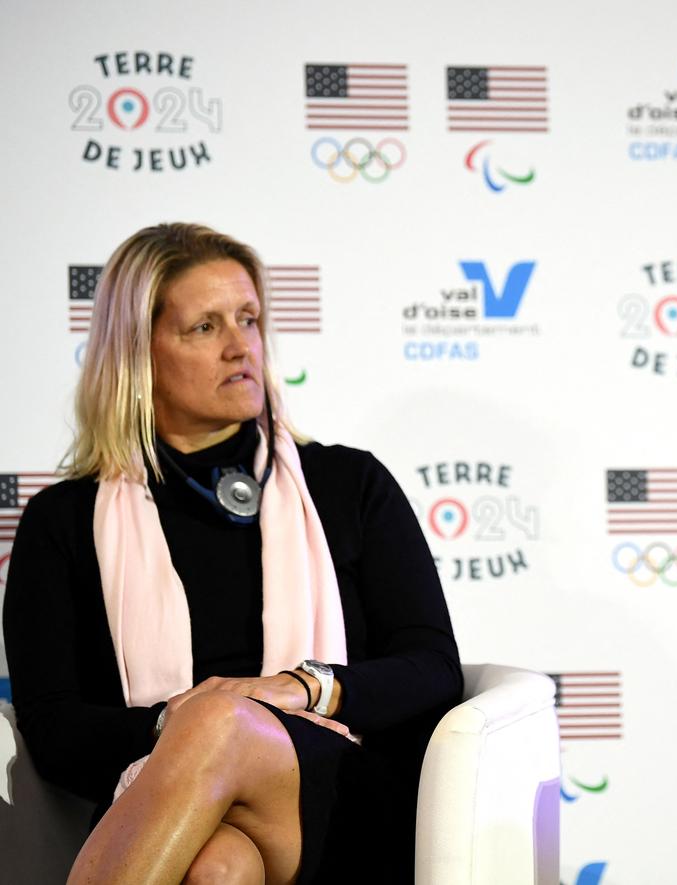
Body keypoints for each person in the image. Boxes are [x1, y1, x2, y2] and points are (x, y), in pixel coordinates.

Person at [2, 223, 463, 883]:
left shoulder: (349, 485)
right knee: (217, 868)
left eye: (248, 318)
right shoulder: (63, 520)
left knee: (220, 721)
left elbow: (432, 665)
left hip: (342, 795)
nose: (241, 345)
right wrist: (176, 725)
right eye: (205, 327)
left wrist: (300, 688)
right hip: (163, 806)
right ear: (138, 351)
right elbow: (54, 728)